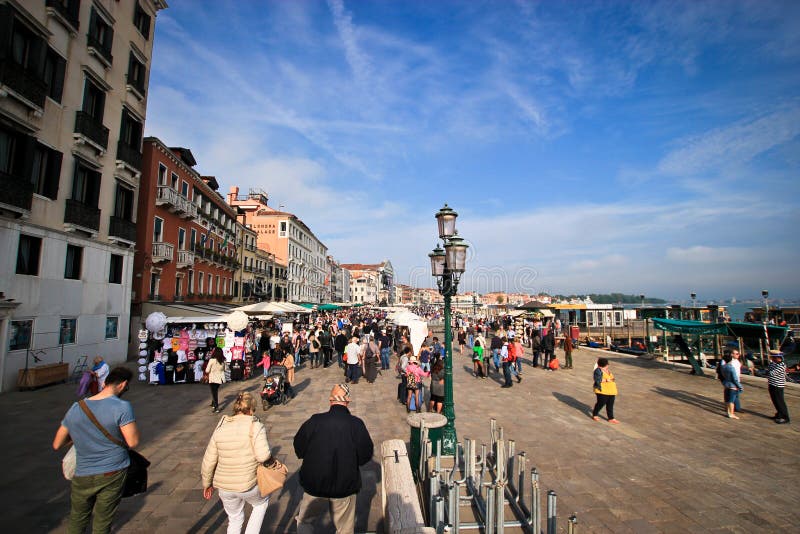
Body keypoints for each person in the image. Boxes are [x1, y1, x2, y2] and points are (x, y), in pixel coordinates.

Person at [52, 366, 139, 534]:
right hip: (112, 471)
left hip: (82, 472)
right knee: (103, 520)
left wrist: (82, 435)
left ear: (105, 382)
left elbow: (57, 444)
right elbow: (133, 441)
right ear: (123, 385)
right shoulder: (122, 407)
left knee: (77, 518)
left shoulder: (77, 407)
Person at [294, 384, 374, 534]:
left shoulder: (315, 421)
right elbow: (365, 454)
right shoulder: (356, 424)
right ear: (347, 402)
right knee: (344, 528)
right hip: (344, 485)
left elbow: (299, 446)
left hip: (314, 483)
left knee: (304, 521)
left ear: (331, 401)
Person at [201, 391, 273, 534]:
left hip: (224, 487)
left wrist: (207, 484)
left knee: (234, 518)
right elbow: (263, 455)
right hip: (248, 483)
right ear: (251, 410)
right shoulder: (255, 426)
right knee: (260, 504)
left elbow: (209, 460)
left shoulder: (221, 427)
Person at [592, 358, 619, 423]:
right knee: (600, 403)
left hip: (611, 390)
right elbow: (597, 380)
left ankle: (611, 418)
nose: (608, 365)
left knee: (610, 404)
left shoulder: (607, 370)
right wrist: (607, 380)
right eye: (607, 364)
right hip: (602, 391)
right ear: (605, 364)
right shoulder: (598, 370)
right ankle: (595, 414)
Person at [767, 350, 790, 424]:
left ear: (777, 358)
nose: (771, 359)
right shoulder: (773, 364)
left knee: (780, 402)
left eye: (773, 357)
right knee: (775, 401)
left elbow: (771, 373)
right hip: (772, 384)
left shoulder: (782, 365)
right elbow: (768, 369)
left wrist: (769, 371)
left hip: (778, 386)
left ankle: (785, 417)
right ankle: (779, 415)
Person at [720, 352, 743, 419]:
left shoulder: (723, 367)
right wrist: (740, 386)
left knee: (727, 400)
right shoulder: (731, 368)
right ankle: (731, 413)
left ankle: (728, 412)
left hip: (726, 384)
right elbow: (735, 379)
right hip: (732, 386)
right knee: (731, 401)